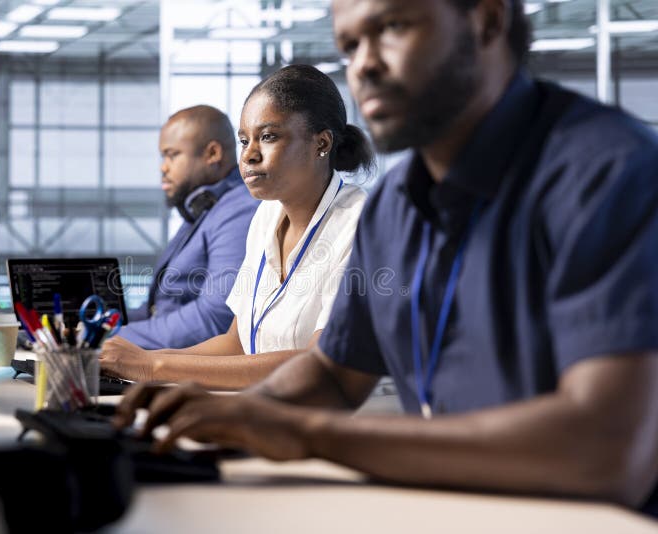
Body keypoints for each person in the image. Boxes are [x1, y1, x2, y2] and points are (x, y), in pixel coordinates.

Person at [114, 0, 658, 514]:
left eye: (393, 27)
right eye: (350, 45)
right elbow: (332, 374)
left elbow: (607, 448)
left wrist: (307, 433)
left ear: (487, 21)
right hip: (452, 505)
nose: (365, 65)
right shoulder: (396, 205)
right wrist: (227, 412)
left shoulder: (606, 173)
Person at [100, 65, 372, 390]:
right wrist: (132, 361)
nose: (249, 156)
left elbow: (322, 364)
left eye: (268, 137)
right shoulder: (266, 216)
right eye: (244, 140)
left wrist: (151, 365)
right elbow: (236, 343)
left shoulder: (361, 225)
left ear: (321, 144)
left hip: (338, 416)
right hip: (263, 406)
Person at [118, 105, 258, 349]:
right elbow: (157, 310)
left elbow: (215, 318)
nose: (163, 167)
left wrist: (106, 339)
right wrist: (96, 326)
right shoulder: (203, 210)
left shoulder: (239, 210)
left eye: (172, 155)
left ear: (213, 153)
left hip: (183, 364)